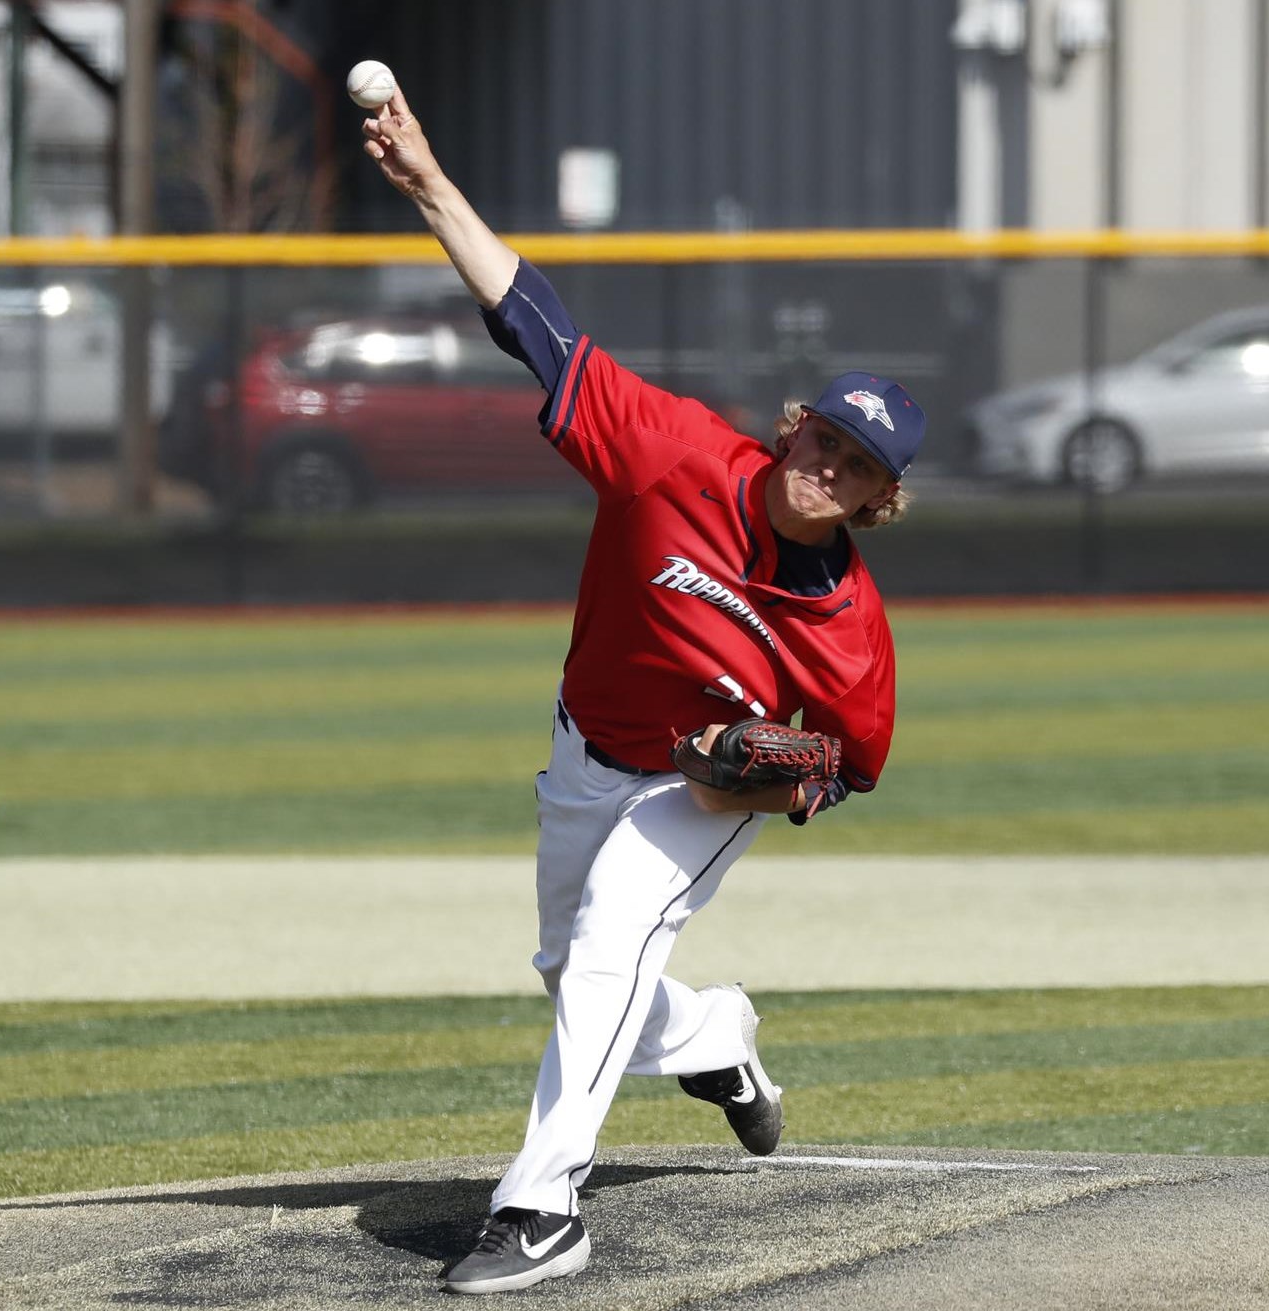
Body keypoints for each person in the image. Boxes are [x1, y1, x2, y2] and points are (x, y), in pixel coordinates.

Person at [362, 89, 922, 1296]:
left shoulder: (851, 637)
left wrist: (771, 778)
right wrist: (429, 181)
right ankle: (716, 1038)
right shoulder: (669, 451)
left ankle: (543, 1204)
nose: (828, 466)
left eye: (858, 466)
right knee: (575, 972)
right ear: (791, 431)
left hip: (695, 788)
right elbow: (533, 321)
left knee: (617, 933)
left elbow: (847, 764)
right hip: (586, 749)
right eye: (823, 438)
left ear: (878, 500)